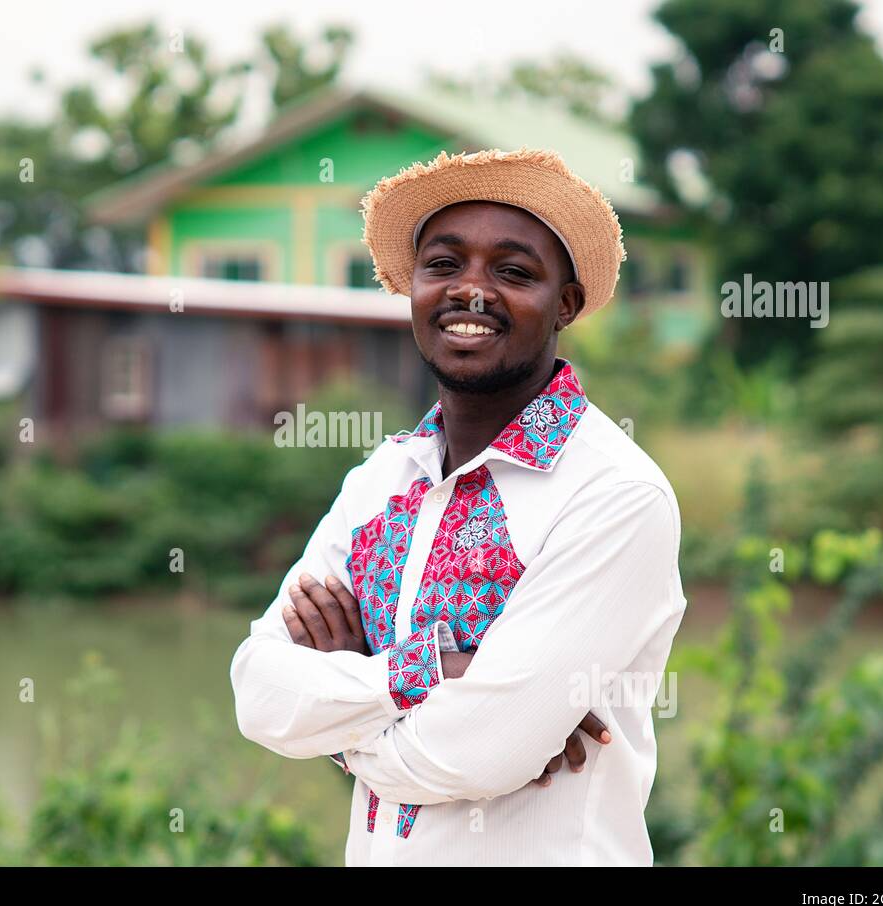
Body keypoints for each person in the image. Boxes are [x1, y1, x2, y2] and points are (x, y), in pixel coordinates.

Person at [231, 147, 687, 865]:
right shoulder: (380, 482)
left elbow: (481, 752)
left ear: (566, 303)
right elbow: (258, 693)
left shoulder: (614, 494)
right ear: (412, 286)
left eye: (512, 271)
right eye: (444, 264)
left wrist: (340, 717)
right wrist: (433, 671)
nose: (470, 291)